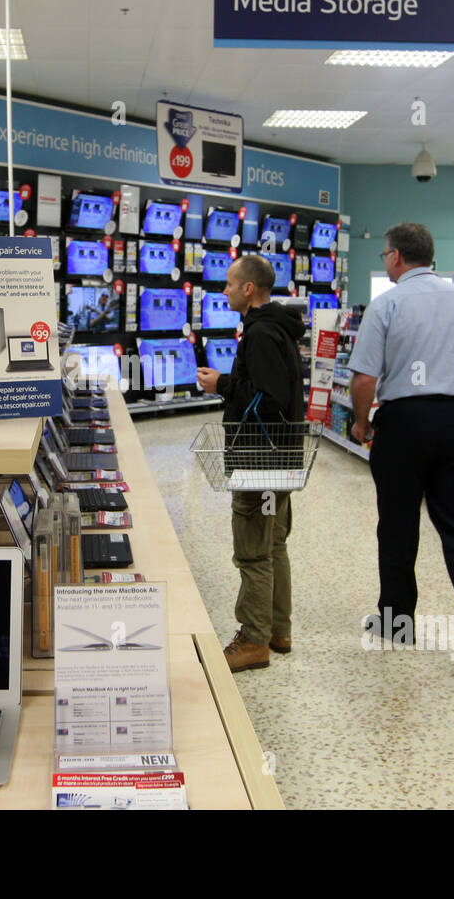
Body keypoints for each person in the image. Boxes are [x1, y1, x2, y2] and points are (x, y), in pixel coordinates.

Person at [347, 222, 454, 677]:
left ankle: (397, 621)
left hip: (404, 424)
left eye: (385, 255)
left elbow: (364, 378)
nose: (386, 261)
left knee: (398, 525)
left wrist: (361, 423)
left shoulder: (387, 303)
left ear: (397, 257)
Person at [196, 255, 305, 673]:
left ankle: (254, 640)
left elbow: (267, 398)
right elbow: (268, 388)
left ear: (248, 289)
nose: (223, 291)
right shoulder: (277, 329)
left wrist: (220, 383)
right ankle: (278, 630)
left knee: (253, 551)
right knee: (274, 543)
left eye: (228, 284)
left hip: (261, 460)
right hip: (281, 458)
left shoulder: (260, 335)